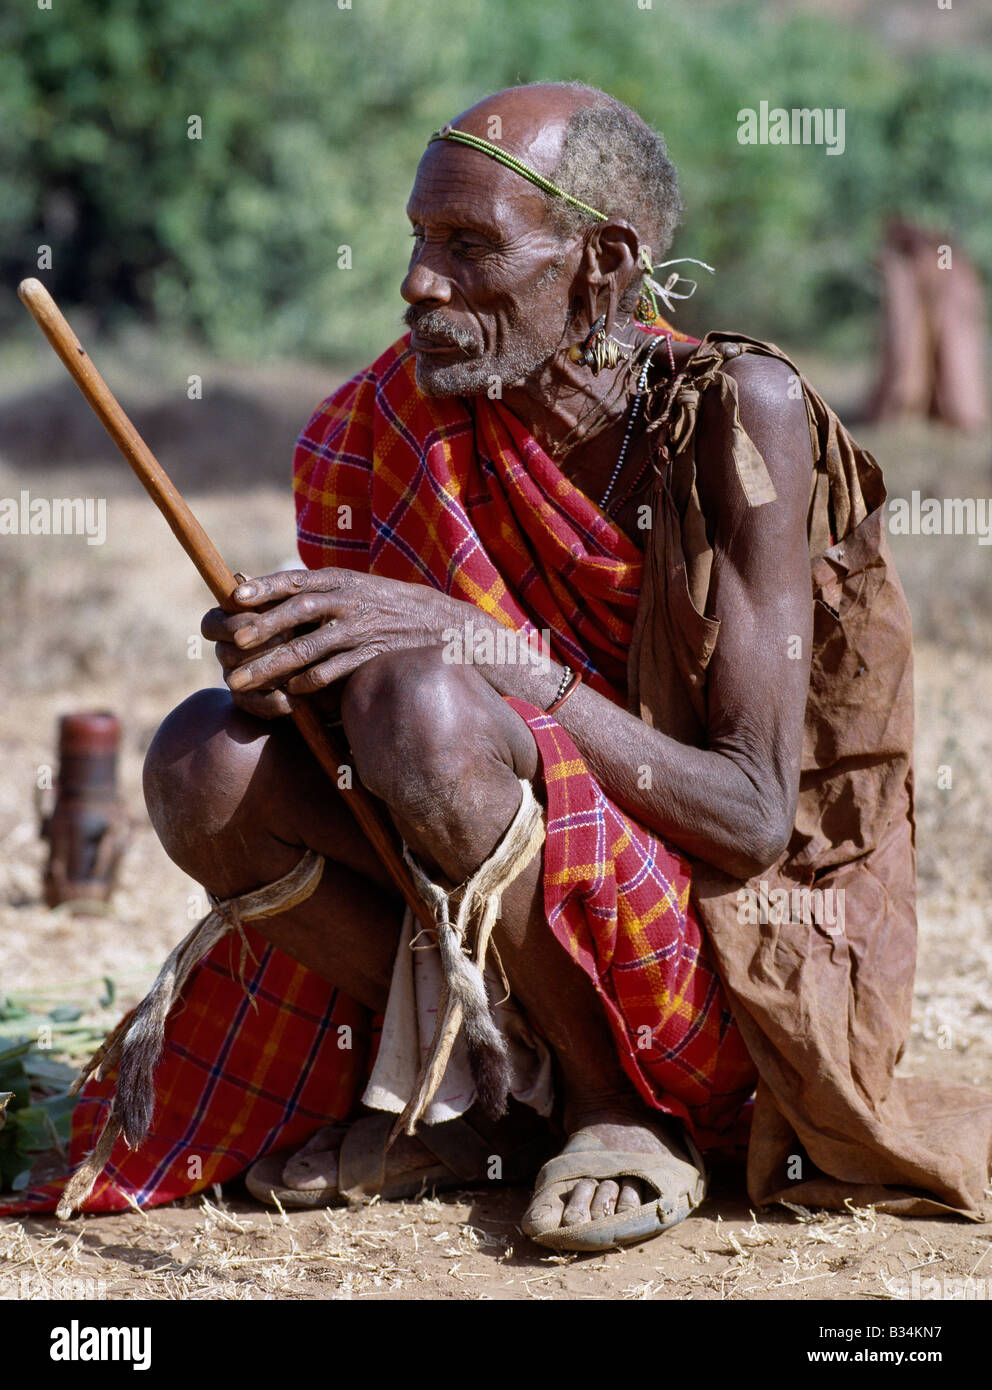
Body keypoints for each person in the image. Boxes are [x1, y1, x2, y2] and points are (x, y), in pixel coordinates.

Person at [12, 81, 990, 1251]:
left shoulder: (737, 417)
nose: (419, 283)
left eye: (470, 247)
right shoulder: (373, 423)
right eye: (418, 241)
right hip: (480, 931)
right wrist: (297, 674)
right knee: (202, 759)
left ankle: (614, 1105)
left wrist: (477, 651)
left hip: (711, 960)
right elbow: (367, 764)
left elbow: (749, 815)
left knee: (425, 697)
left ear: (601, 262)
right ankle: (471, 1094)